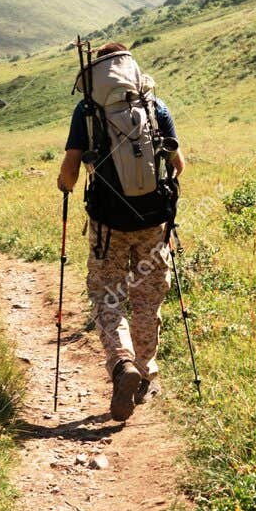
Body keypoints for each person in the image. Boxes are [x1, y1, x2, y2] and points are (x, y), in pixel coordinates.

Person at [55, 42, 184, 421]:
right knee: (147, 299)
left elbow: (70, 169)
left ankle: (121, 363)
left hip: (107, 224)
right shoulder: (154, 106)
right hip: (152, 222)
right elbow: (178, 165)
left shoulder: (88, 110)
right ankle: (145, 374)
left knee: (107, 295)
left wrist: (65, 185)